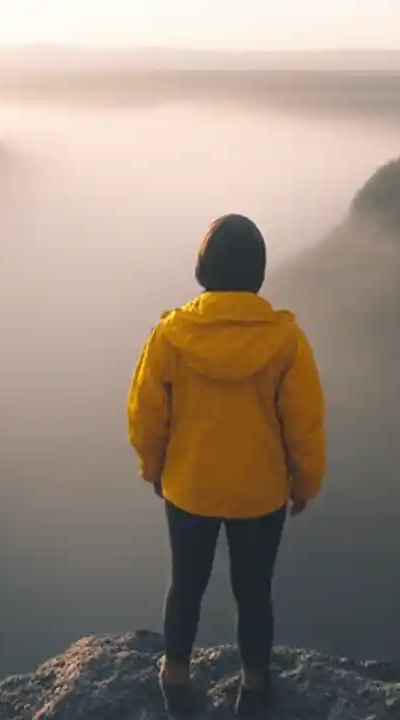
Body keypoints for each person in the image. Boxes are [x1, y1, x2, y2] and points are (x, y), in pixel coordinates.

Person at [127, 214, 326, 717]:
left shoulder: (171, 335)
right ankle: (254, 685)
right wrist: (304, 483)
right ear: (257, 274)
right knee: (254, 593)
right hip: (259, 493)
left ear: (203, 268)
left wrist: (154, 468)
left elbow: (146, 414)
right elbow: (303, 422)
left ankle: (175, 674)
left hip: (189, 487)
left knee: (186, 586)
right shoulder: (285, 341)